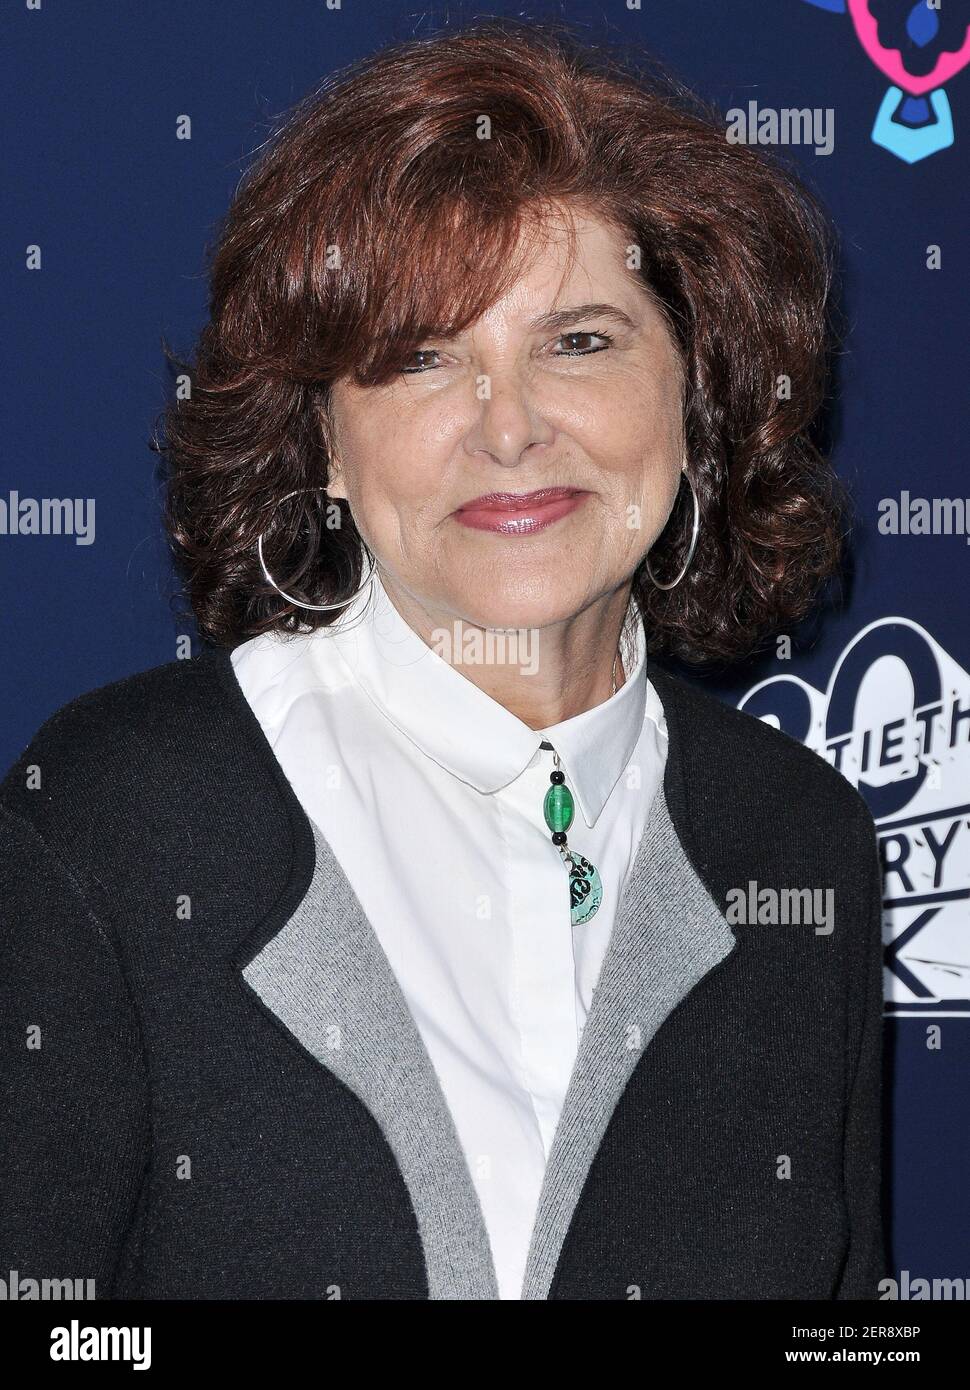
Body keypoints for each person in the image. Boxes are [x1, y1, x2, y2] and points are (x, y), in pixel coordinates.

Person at [0, 18, 885, 1300]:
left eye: (578, 340)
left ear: (696, 401)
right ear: (325, 447)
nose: (510, 427)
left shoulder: (799, 842)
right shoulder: (109, 818)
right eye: (423, 358)